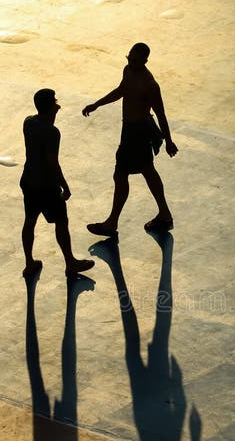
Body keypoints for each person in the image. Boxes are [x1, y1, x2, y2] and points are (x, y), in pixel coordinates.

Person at [82, 42, 178, 236]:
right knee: (146, 171)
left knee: (123, 174)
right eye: (129, 59)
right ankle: (164, 213)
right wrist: (97, 104)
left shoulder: (150, 85)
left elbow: (161, 114)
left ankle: (112, 223)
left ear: (145, 61)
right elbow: (121, 91)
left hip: (139, 133)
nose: (131, 62)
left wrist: (169, 140)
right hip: (129, 131)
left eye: (135, 60)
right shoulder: (128, 70)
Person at [20, 88, 95, 278]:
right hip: (46, 186)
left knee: (30, 221)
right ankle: (70, 263)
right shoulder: (52, 132)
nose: (58, 105)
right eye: (55, 103)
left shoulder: (28, 123)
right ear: (49, 107)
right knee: (61, 222)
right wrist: (65, 186)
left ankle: (29, 263)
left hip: (29, 181)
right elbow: (52, 162)